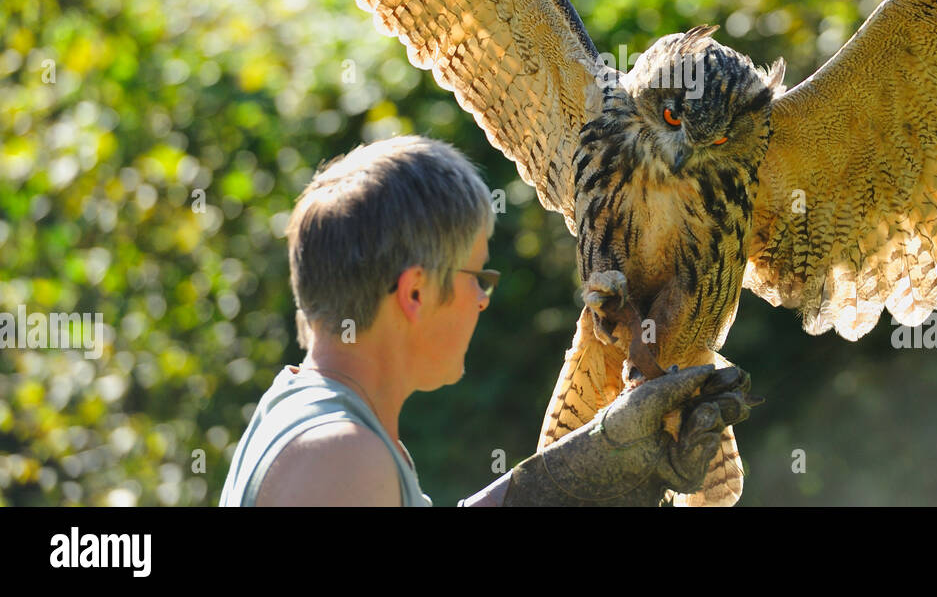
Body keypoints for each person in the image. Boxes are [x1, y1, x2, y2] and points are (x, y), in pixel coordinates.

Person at [219, 134, 753, 506]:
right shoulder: (341, 458)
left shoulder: (300, 412)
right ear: (415, 292)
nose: (482, 299)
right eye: (478, 276)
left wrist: (575, 476)